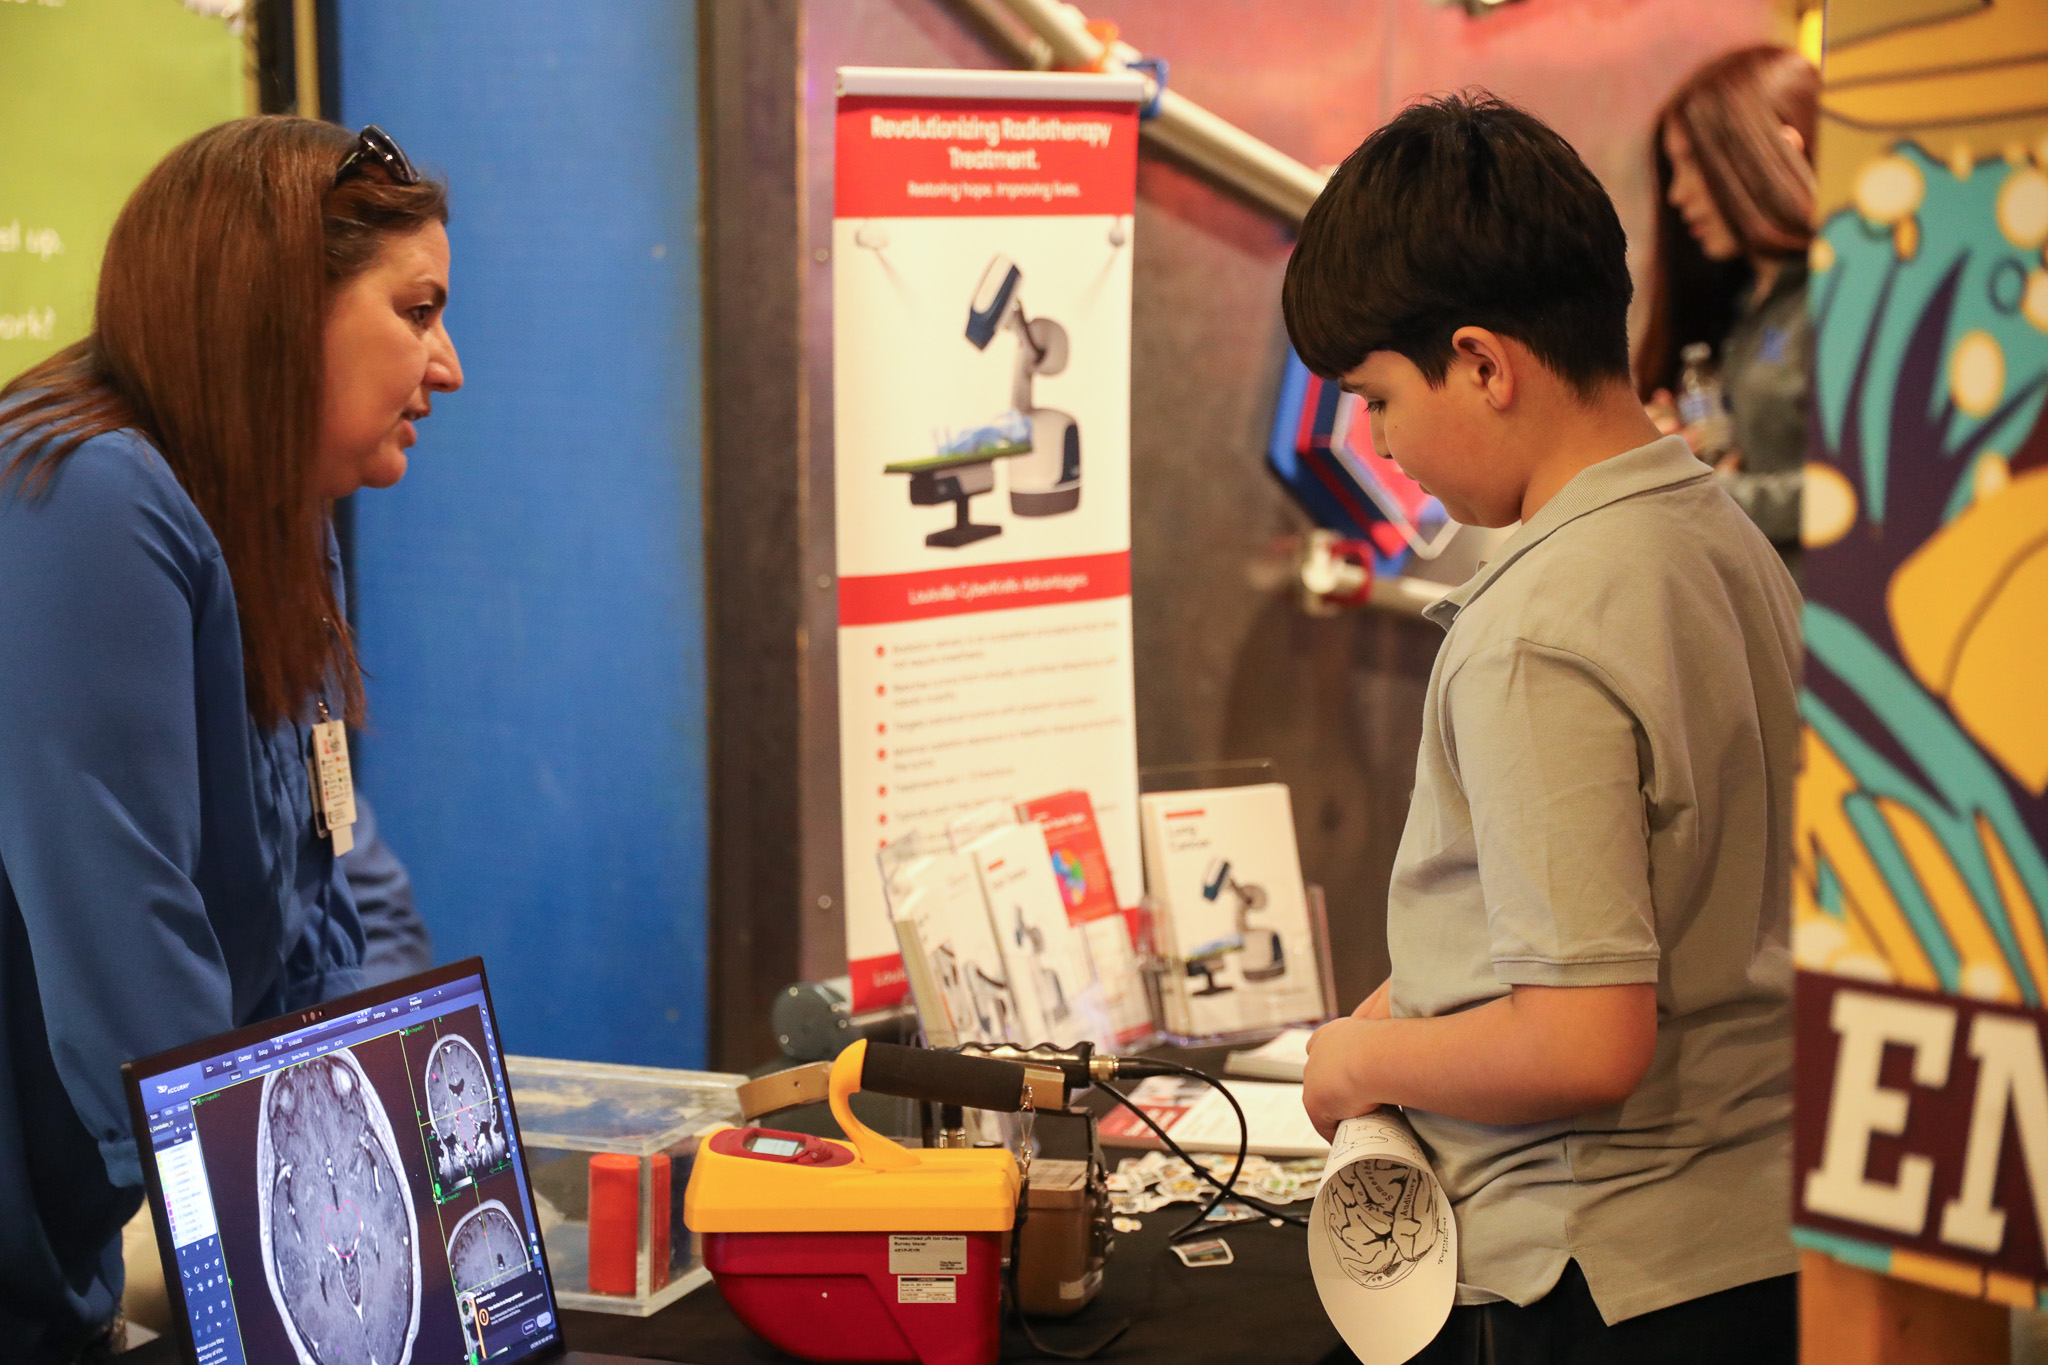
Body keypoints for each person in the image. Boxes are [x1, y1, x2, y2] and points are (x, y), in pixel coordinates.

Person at [1284, 94, 1800, 1361]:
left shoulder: (1531, 630)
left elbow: (1583, 1039)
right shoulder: (1715, 530)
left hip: (1609, 1277)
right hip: (1770, 1234)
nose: (1380, 445)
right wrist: (1416, 998)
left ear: (1480, 361)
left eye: (1379, 399)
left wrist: (1359, 1070)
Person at [0, 117, 461, 1361]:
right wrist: (323, 1289)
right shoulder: (80, 494)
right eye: (416, 311)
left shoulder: (281, 516)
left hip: (64, 1266)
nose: (448, 362)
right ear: (275, 309)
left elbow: (329, 881)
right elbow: (130, 959)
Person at [1637, 45, 1819, 573]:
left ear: (1779, 148)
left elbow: (1871, 490)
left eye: (1695, 162)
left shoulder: (1839, 301)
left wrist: (1712, 494)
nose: (1677, 194)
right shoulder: (1742, 310)